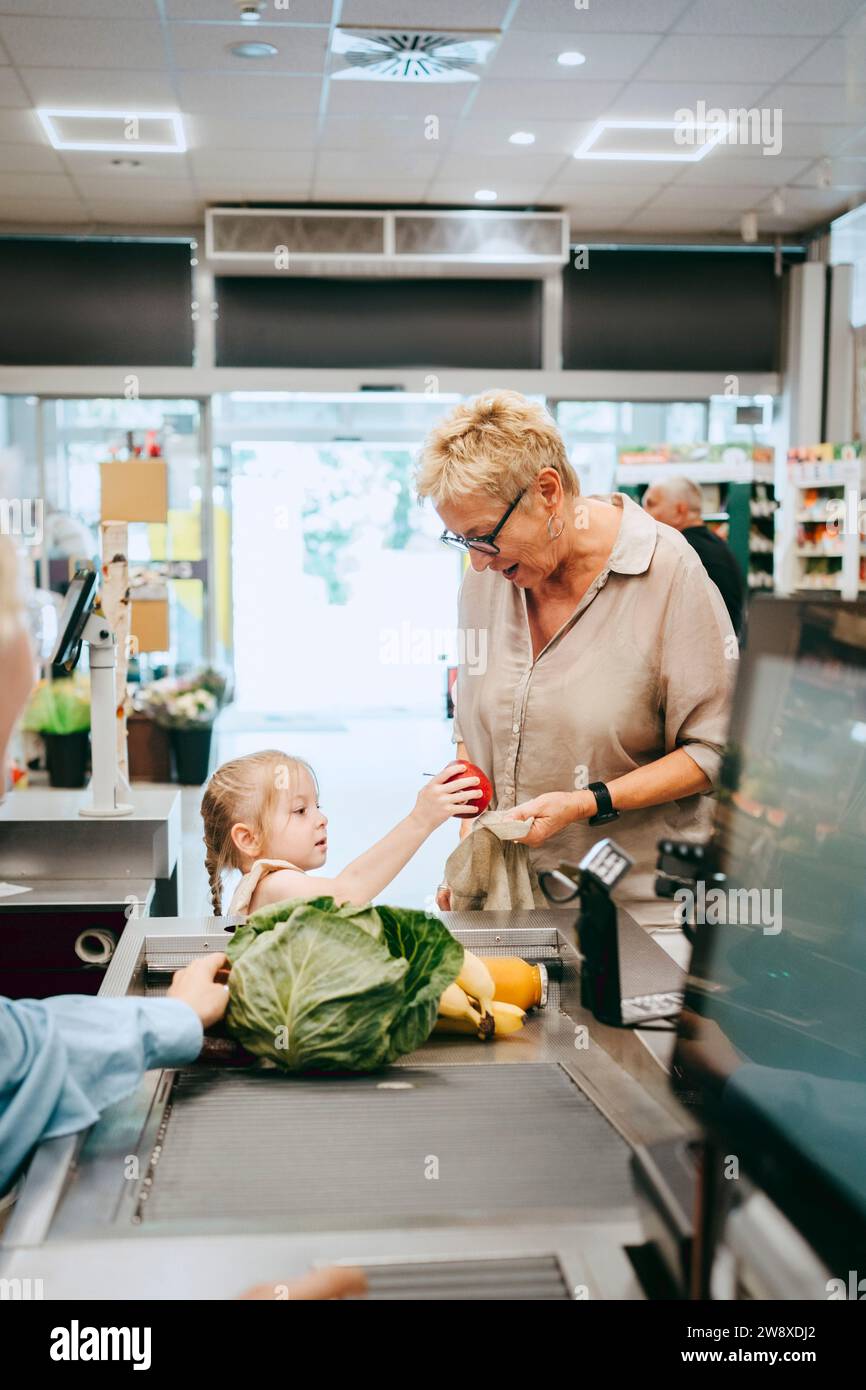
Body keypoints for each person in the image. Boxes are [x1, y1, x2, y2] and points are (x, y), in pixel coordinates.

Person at [416, 391, 737, 928]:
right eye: (459, 540)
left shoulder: (667, 571)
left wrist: (589, 801)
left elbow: (715, 749)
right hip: (509, 904)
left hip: (631, 911)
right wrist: (471, 850)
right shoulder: (486, 580)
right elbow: (473, 723)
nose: (475, 562)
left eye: (484, 537)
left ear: (547, 491)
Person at [201, 749, 480, 917]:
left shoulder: (271, 885)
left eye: (317, 806)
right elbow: (348, 891)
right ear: (249, 839)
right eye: (300, 811)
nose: (322, 819)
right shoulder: (275, 886)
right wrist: (422, 818)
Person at [642, 474, 745, 637]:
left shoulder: (680, 551)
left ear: (679, 511)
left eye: (650, 504)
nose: (644, 513)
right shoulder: (717, 545)